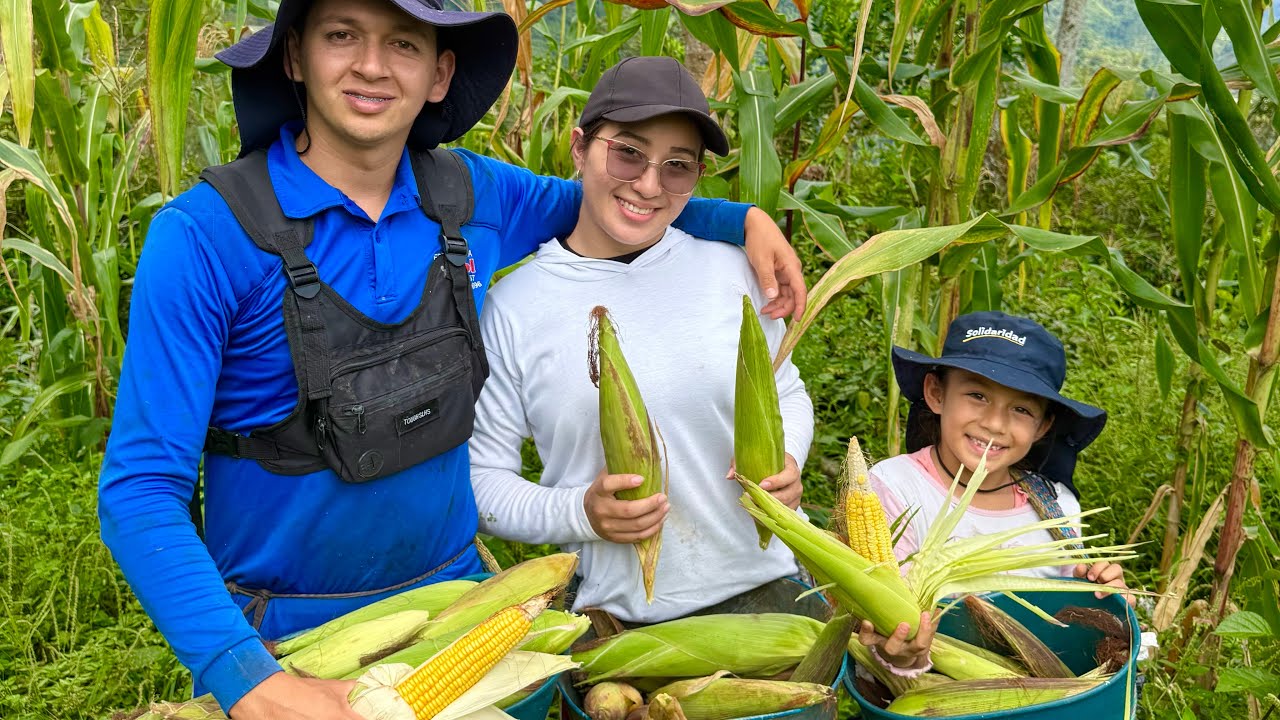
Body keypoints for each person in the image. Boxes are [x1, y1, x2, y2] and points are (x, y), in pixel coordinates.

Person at [96, 1, 809, 717]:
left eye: (403, 43)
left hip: (464, 619)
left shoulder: (470, 196)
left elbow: (618, 198)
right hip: (287, 645)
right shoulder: (203, 237)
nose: (372, 65)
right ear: (294, 57)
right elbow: (139, 491)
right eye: (342, 35)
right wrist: (247, 677)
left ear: (440, 74)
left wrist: (739, 220)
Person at [468, 56, 815, 626]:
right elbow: (482, 484)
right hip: (618, 620)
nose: (649, 185)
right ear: (580, 147)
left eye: (678, 166)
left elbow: (788, 393)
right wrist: (582, 512)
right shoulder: (513, 305)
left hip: (772, 597)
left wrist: (787, 454)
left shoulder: (733, 270)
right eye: (627, 152)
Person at [856, 310, 1132, 677]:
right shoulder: (895, 488)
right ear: (936, 393)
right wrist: (904, 654)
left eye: (1020, 409)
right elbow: (884, 631)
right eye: (977, 395)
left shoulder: (1057, 506)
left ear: (1042, 426)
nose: (995, 424)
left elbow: (1070, 621)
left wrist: (1102, 600)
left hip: (1040, 701)